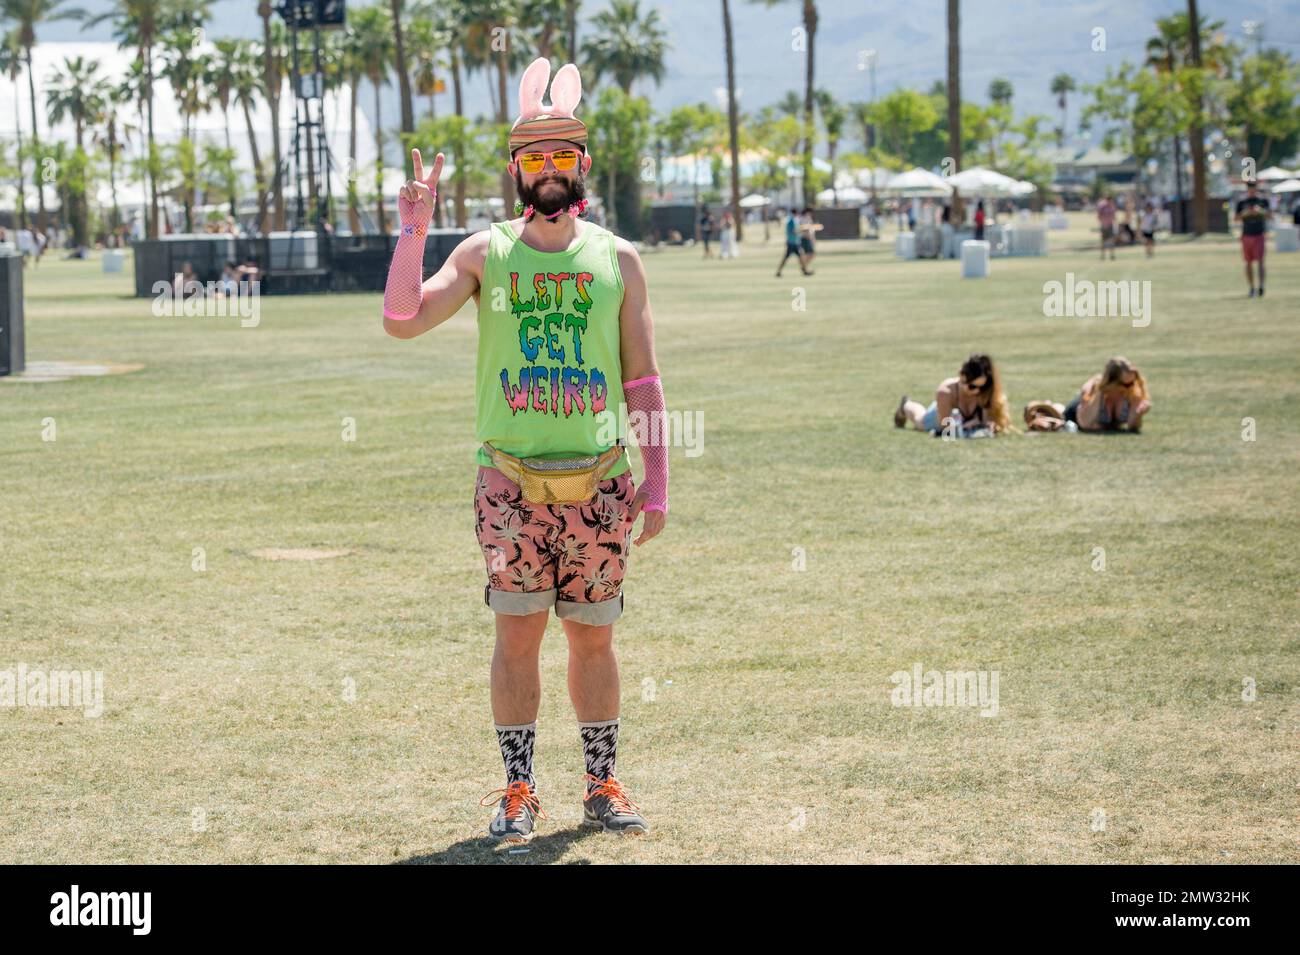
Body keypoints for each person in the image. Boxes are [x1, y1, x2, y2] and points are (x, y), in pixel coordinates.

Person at [380, 57, 665, 845]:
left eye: (560, 156)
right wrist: (413, 226)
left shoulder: (619, 259)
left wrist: (660, 483)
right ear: (515, 169)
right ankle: (516, 790)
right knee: (516, 636)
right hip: (508, 489)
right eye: (533, 158)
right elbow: (402, 319)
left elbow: (642, 380)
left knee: (595, 636)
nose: (547, 170)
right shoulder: (485, 253)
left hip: (602, 484)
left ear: (582, 163)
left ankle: (602, 783)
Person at [894, 353, 1013, 436]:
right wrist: (967, 425)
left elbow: (998, 421)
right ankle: (905, 406)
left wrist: (989, 424)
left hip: (961, 419)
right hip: (942, 413)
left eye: (982, 387)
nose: (977, 391)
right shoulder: (945, 391)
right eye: (972, 387)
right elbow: (945, 427)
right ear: (962, 377)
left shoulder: (987, 392)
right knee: (920, 420)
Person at [1064, 356, 1151, 433]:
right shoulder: (1093, 388)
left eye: (1133, 381)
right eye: (1126, 384)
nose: (1130, 386)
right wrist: (1099, 392)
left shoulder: (1133, 390)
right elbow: (1085, 424)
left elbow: (1132, 427)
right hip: (1073, 416)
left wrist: (1138, 414)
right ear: (1112, 382)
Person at [1235, 180, 1269, 298]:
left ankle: (1261, 286)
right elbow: (1236, 218)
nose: (1252, 190)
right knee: (1248, 262)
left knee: (1260, 261)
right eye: (1249, 188)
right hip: (1246, 235)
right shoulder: (1242, 202)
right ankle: (1251, 287)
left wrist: (1259, 211)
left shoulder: (1262, 201)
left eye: (1253, 187)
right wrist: (1246, 213)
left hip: (1259, 234)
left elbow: (1270, 216)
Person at [775, 207, 812, 277]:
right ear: (795, 213)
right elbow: (793, 231)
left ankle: (805, 271)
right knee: (789, 258)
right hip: (792, 243)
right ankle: (779, 272)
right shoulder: (792, 221)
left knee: (801, 257)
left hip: (795, 242)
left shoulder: (794, 220)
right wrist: (802, 231)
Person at [1096, 194, 1116, 260]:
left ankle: (1112, 255)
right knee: (1103, 241)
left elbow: (1114, 216)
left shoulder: (1112, 207)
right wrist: (1102, 223)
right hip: (1104, 226)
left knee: (1111, 241)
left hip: (1110, 225)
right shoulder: (1102, 206)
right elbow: (1099, 215)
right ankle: (1102, 256)